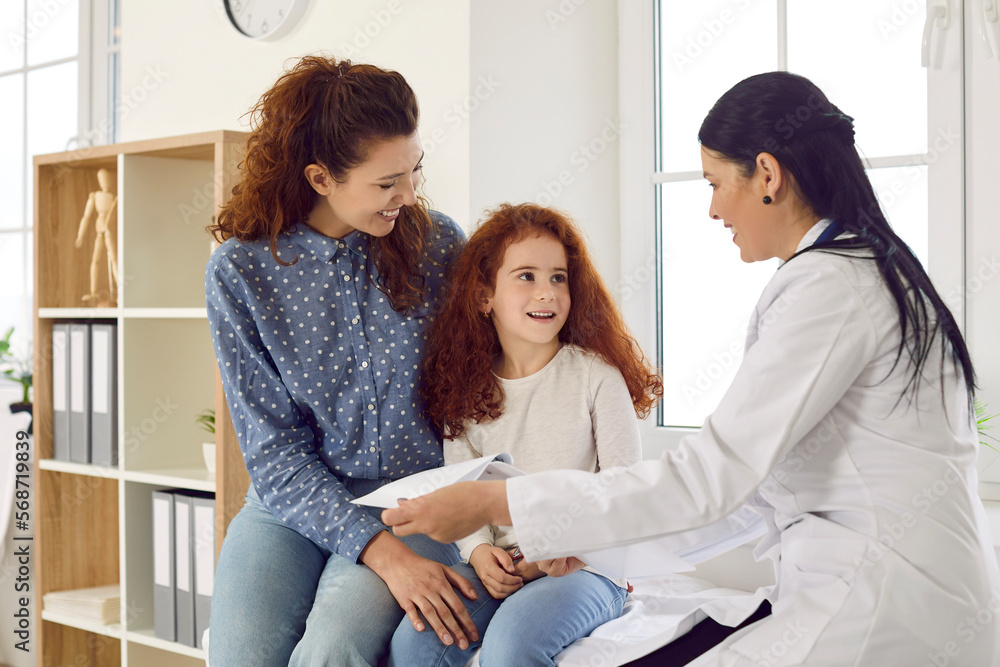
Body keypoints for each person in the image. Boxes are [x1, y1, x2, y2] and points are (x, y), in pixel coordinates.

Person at [383, 72, 1000, 666]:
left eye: (713, 184)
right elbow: (749, 493)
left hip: (885, 602)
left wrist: (501, 501)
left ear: (766, 174)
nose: (711, 211)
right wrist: (588, 542)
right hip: (889, 586)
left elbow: (710, 479)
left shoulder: (832, 287)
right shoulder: (860, 271)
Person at [204, 55, 478, 667]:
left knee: (332, 653)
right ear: (321, 178)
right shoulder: (241, 272)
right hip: (291, 502)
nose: (408, 196)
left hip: (416, 497)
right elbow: (273, 452)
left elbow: (490, 386)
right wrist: (376, 550)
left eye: (414, 171)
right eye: (387, 183)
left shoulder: (439, 246)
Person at [387, 203, 662, 666]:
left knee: (512, 646)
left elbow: (622, 493)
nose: (547, 293)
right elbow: (463, 489)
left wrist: (543, 557)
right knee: (413, 646)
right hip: (502, 565)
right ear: (483, 297)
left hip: (585, 566)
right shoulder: (464, 390)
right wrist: (477, 555)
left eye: (558, 277)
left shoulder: (596, 378)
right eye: (526, 276)